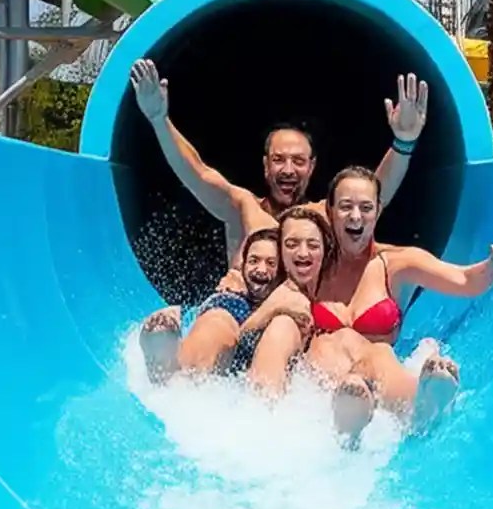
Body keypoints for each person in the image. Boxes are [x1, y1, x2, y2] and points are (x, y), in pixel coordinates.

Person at [260, 167, 493, 445]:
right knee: (331, 342)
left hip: (376, 377)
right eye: (346, 206)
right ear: (330, 211)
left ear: (378, 211)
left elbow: (464, 280)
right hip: (321, 376)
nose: (356, 216)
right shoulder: (311, 260)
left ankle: (421, 405)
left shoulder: (398, 264)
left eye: (366, 207)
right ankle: (357, 416)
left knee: (379, 353)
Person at [128, 58, 428, 274]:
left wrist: (404, 142)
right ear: (265, 166)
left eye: (298, 161)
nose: (287, 170)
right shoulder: (241, 209)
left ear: (312, 167)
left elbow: (375, 194)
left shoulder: (324, 217)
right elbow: (197, 173)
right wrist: (159, 120)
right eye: (278, 160)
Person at [138, 227, 280, 384]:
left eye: (271, 263)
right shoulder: (232, 296)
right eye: (253, 261)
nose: (261, 269)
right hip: (229, 309)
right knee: (216, 323)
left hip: (253, 336)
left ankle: (173, 367)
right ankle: (179, 371)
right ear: (244, 265)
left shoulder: (289, 294)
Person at [235, 207, 337, 395]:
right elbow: (242, 340)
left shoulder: (341, 283)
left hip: (333, 380)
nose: (303, 253)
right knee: (283, 325)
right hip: (277, 379)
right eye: (291, 245)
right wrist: (273, 310)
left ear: (326, 249)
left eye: (313, 245)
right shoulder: (281, 293)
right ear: (280, 252)